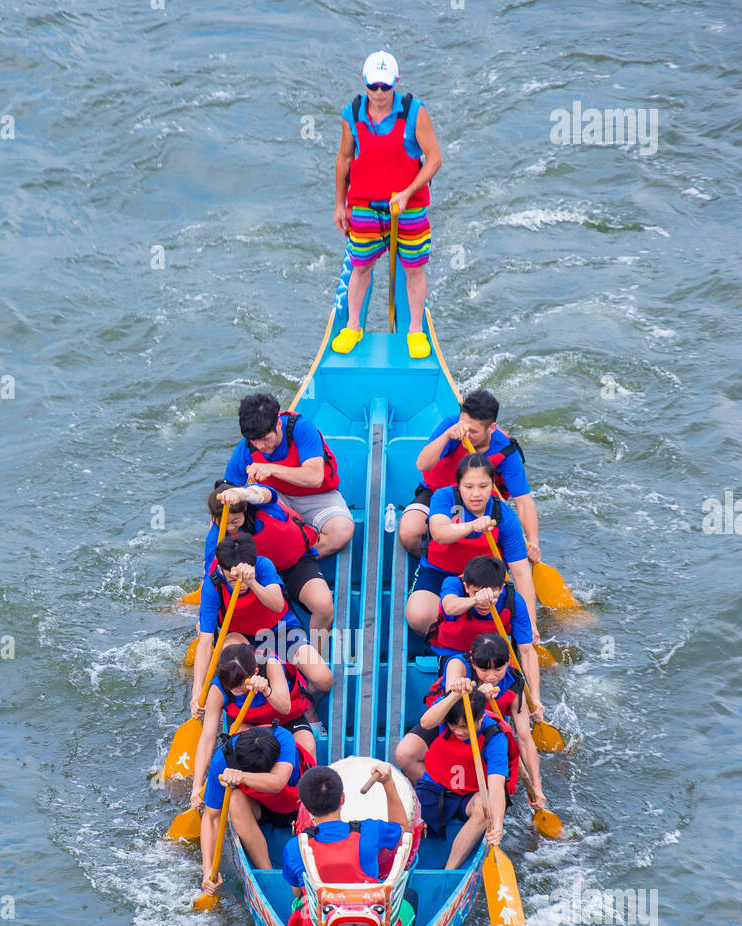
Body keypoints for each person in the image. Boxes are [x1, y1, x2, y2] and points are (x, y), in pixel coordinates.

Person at [332, 51, 442, 359]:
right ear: (363, 82)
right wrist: (340, 205)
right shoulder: (351, 114)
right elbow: (343, 160)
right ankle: (353, 327)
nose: (379, 93)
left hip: (407, 210)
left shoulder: (414, 112)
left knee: (415, 269)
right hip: (366, 207)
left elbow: (434, 159)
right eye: (373, 86)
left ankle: (416, 331)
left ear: (396, 81)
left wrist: (408, 193)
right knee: (361, 266)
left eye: (385, 86)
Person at [191, 534, 333, 719]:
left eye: (242, 579)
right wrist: (197, 691)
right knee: (229, 652)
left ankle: (306, 701)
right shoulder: (213, 585)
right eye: (233, 581)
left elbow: (277, 605)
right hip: (240, 637)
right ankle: (251, 712)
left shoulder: (263, 565)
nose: (239, 586)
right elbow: (205, 642)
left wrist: (252, 583)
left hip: (281, 631)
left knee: (324, 680)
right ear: (220, 568)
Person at [405, 455, 540, 641]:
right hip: (438, 572)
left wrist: (531, 624)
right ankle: (450, 636)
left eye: (483, 486)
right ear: (458, 485)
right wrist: (471, 526)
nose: (476, 494)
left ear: (492, 485)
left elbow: (521, 573)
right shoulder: (443, 497)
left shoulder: (505, 516)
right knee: (418, 616)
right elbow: (439, 533)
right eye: (469, 487)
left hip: (484, 583)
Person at [399, 389, 540, 561]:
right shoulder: (451, 427)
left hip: (479, 503)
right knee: (409, 534)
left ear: (492, 428)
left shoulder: (506, 450)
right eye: (463, 425)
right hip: (438, 494)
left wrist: (533, 542)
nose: (465, 434)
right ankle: (434, 563)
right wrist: (446, 436)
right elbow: (422, 464)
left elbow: (523, 501)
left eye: (473, 431)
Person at [417, 632, 546, 809]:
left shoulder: (515, 684)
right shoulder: (458, 665)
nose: (491, 676)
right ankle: (437, 787)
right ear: (472, 661)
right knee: (406, 754)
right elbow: (454, 707)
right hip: (448, 724)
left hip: (484, 733)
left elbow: (524, 738)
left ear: (508, 661)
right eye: (484, 670)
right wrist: (477, 695)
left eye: (498, 669)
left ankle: (470, 799)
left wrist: (537, 788)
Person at [395, 689, 518, 870]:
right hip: (435, 788)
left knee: (487, 808)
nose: (459, 732)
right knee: (403, 812)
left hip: (468, 796)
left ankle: (450, 871)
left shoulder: (495, 737)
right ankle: (400, 869)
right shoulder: (445, 720)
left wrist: (497, 824)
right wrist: (454, 695)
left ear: (480, 719)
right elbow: (426, 722)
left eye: (465, 726)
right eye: (455, 726)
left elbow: (497, 786)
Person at [190, 641, 317, 813]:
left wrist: (266, 690)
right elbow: (207, 738)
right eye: (231, 688)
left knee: (307, 745)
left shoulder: (270, 665)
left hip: (285, 718)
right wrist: (197, 785)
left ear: (255, 672)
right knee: (244, 752)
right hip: (250, 725)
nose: (235, 691)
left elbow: (285, 707)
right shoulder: (219, 688)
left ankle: (310, 804)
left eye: (240, 689)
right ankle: (258, 801)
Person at [223, 393, 353, 558]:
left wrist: (271, 469)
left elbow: (315, 478)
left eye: (265, 439)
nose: (260, 446)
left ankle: (290, 558)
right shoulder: (245, 450)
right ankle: (284, 558)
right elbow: (224, 494)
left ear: (278, 423)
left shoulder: (301, 429)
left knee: (341, 533)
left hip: (317, 496)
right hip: (277, 500)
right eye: (254, 441)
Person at [200, 725, 315, 894]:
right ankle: (269, 876)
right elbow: (211, 818)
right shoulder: (222, 761)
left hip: (300, 805)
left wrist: (242, 777)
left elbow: (277, 783)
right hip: (262, 808)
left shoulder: (283, 738)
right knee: (234, 799)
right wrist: (207, 868)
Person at [205, 482, 333, 633]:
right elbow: (213, 577)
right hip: (255, 577)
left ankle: (316, 653)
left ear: (245, 509)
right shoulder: (215, 539)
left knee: (324, 607)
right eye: (224, 523)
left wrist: (242, 494)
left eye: (235, 521)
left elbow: (265, 493)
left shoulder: (263, 506)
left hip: (293, 566)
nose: (231, 528)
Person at [429, 554, 541, 715]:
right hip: (453, 653)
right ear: (466, 587)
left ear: (501, 588)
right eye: (475, 592)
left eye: (493, 596)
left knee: (508, 691)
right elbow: (449, 606)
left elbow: (527, 651)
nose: (485, 603)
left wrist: (536, 697)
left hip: (490, 656)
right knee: (456, 706)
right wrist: (475, 600)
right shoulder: (453, 584)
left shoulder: (514, 600)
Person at [281, 763, 410, 890]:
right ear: (342, 798)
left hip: (319, 911)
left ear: (305, 805)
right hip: (368, 909)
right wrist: (388, 782)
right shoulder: (370, 831)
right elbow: (402, 829)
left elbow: (299, 893)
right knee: (410, 895)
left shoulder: (296, 847)